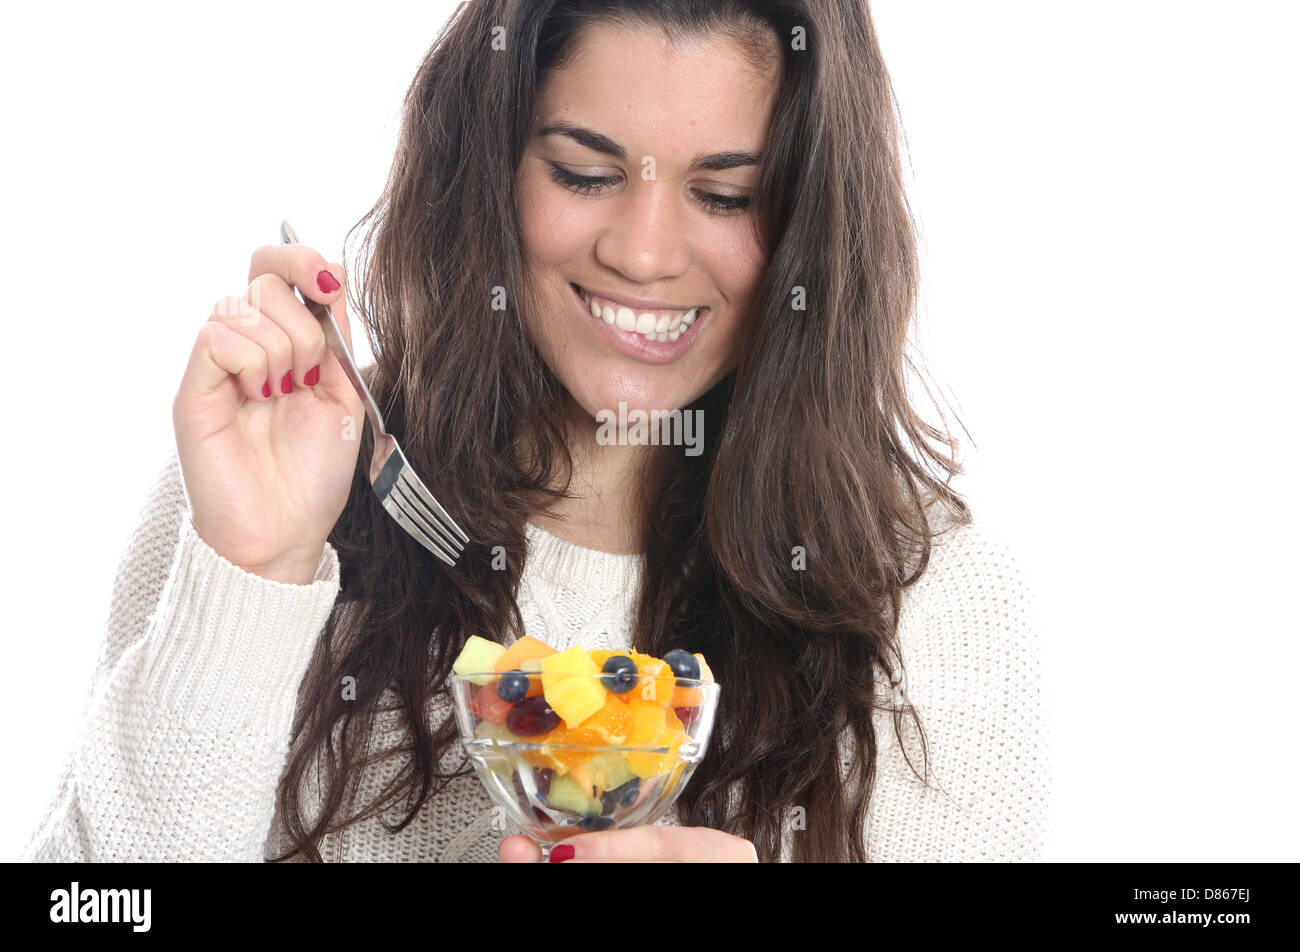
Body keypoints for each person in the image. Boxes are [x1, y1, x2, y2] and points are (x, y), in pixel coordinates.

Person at [20, 0, 1048, 863]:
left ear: (808, 226)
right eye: (584, 174)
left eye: (724, 194)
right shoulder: (279, 474)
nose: (644, 254)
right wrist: (254, 573)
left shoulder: (932, 600)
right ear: (492, 167)